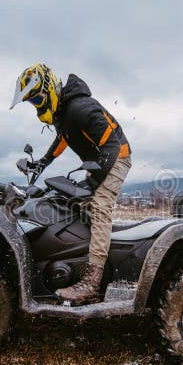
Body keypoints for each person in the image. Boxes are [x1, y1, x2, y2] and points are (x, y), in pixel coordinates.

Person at [10, 63, 131, 305]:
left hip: (117, 158)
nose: (36, 107)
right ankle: (82, 256)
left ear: (48, 91)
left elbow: (112, 146)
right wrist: (42, 163)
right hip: (98, 161)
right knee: (74, 201)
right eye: (32, 103)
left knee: (99, 205)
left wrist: (94, 182)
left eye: (36, 101)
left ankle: (93, 281)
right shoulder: (64, 114)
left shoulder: (81, 108)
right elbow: (62, 139)